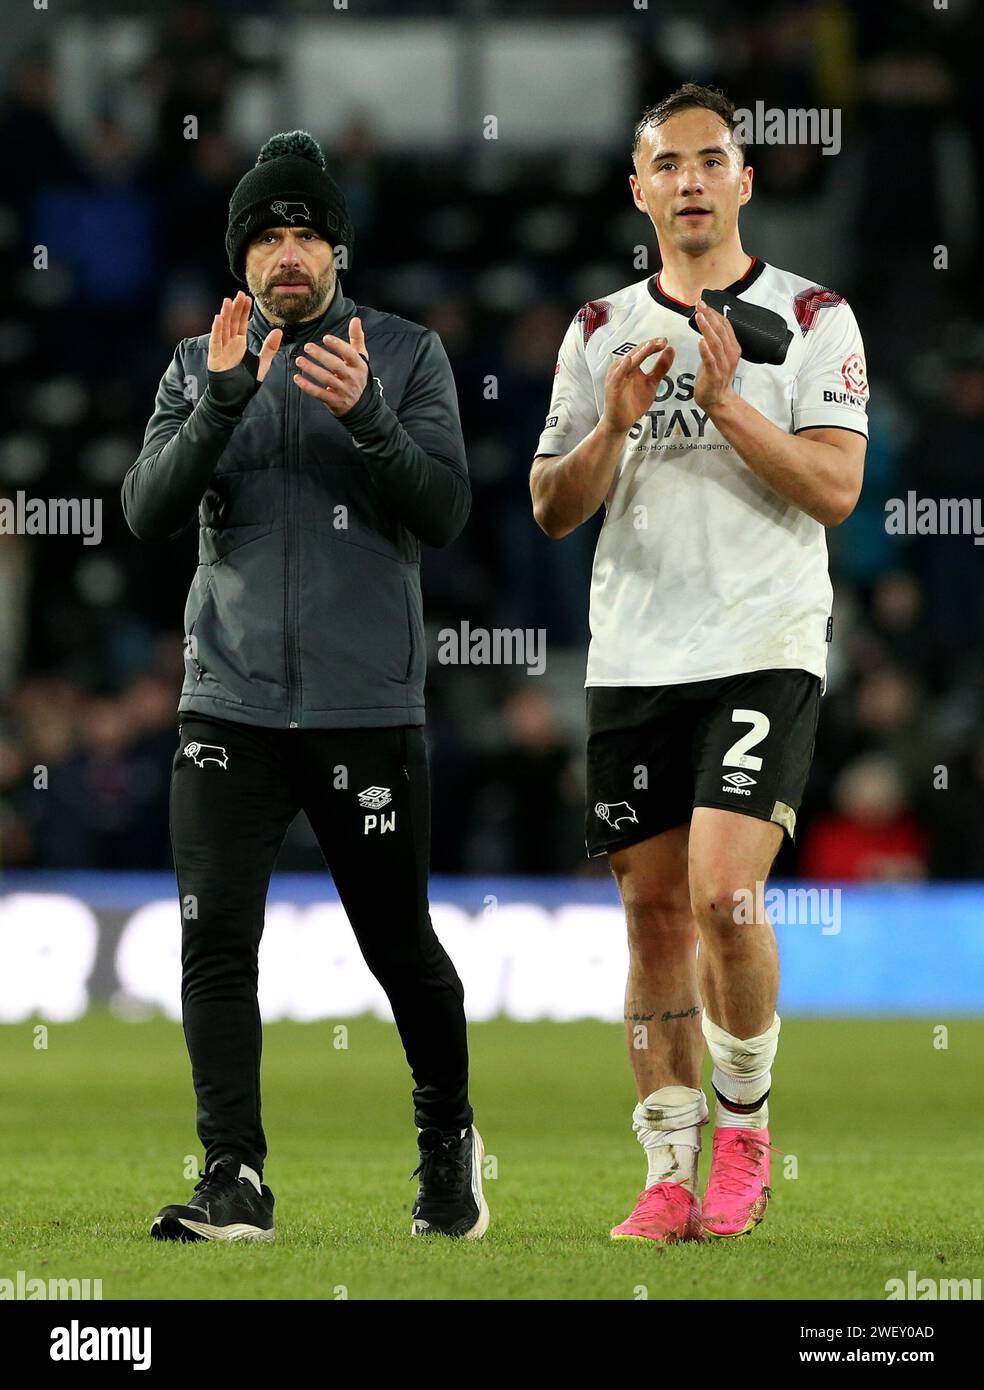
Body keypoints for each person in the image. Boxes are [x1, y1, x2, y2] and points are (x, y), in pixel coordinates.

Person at [123, 130, 487, 1243]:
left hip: (365, 710)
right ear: (243, 259)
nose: (290, 255)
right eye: (269, 237)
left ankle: (446, 1144)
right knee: (216, 942)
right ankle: (234, 1175)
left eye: (308, 235)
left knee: (400, 945)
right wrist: (226, 401)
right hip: (226, 704)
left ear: (339, 251)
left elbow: (445, 511)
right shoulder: (198, 365)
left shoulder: (409, 355)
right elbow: (144, 510)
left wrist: (369, 412)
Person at [530, 84, 868, 1243]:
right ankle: (669, 1169)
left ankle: (747, 1136)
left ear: (744, 180)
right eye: (665, 163)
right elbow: (549, 508)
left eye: (709, 159)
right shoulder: (595, 332)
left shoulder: (816, 316)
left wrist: (726, 406)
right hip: (633, 655)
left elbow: (834, 486)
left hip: (762, 643)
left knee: (729, 893)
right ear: (639, 189)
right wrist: (614, 426)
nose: (688, 179)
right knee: (653, 916)